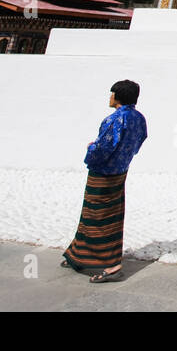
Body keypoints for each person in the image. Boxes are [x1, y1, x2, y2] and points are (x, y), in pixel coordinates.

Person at [62, 80, 148, 283]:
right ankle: (77, 255)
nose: (110, 97)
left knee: (99, 219)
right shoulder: (138, 118)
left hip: (103, 174)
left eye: (112, 93)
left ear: (118, 96)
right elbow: (139, 141)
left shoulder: (115, 119)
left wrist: (91, 149)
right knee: (103, 215)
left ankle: (112, 265)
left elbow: (102, 149)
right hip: (121, 170)